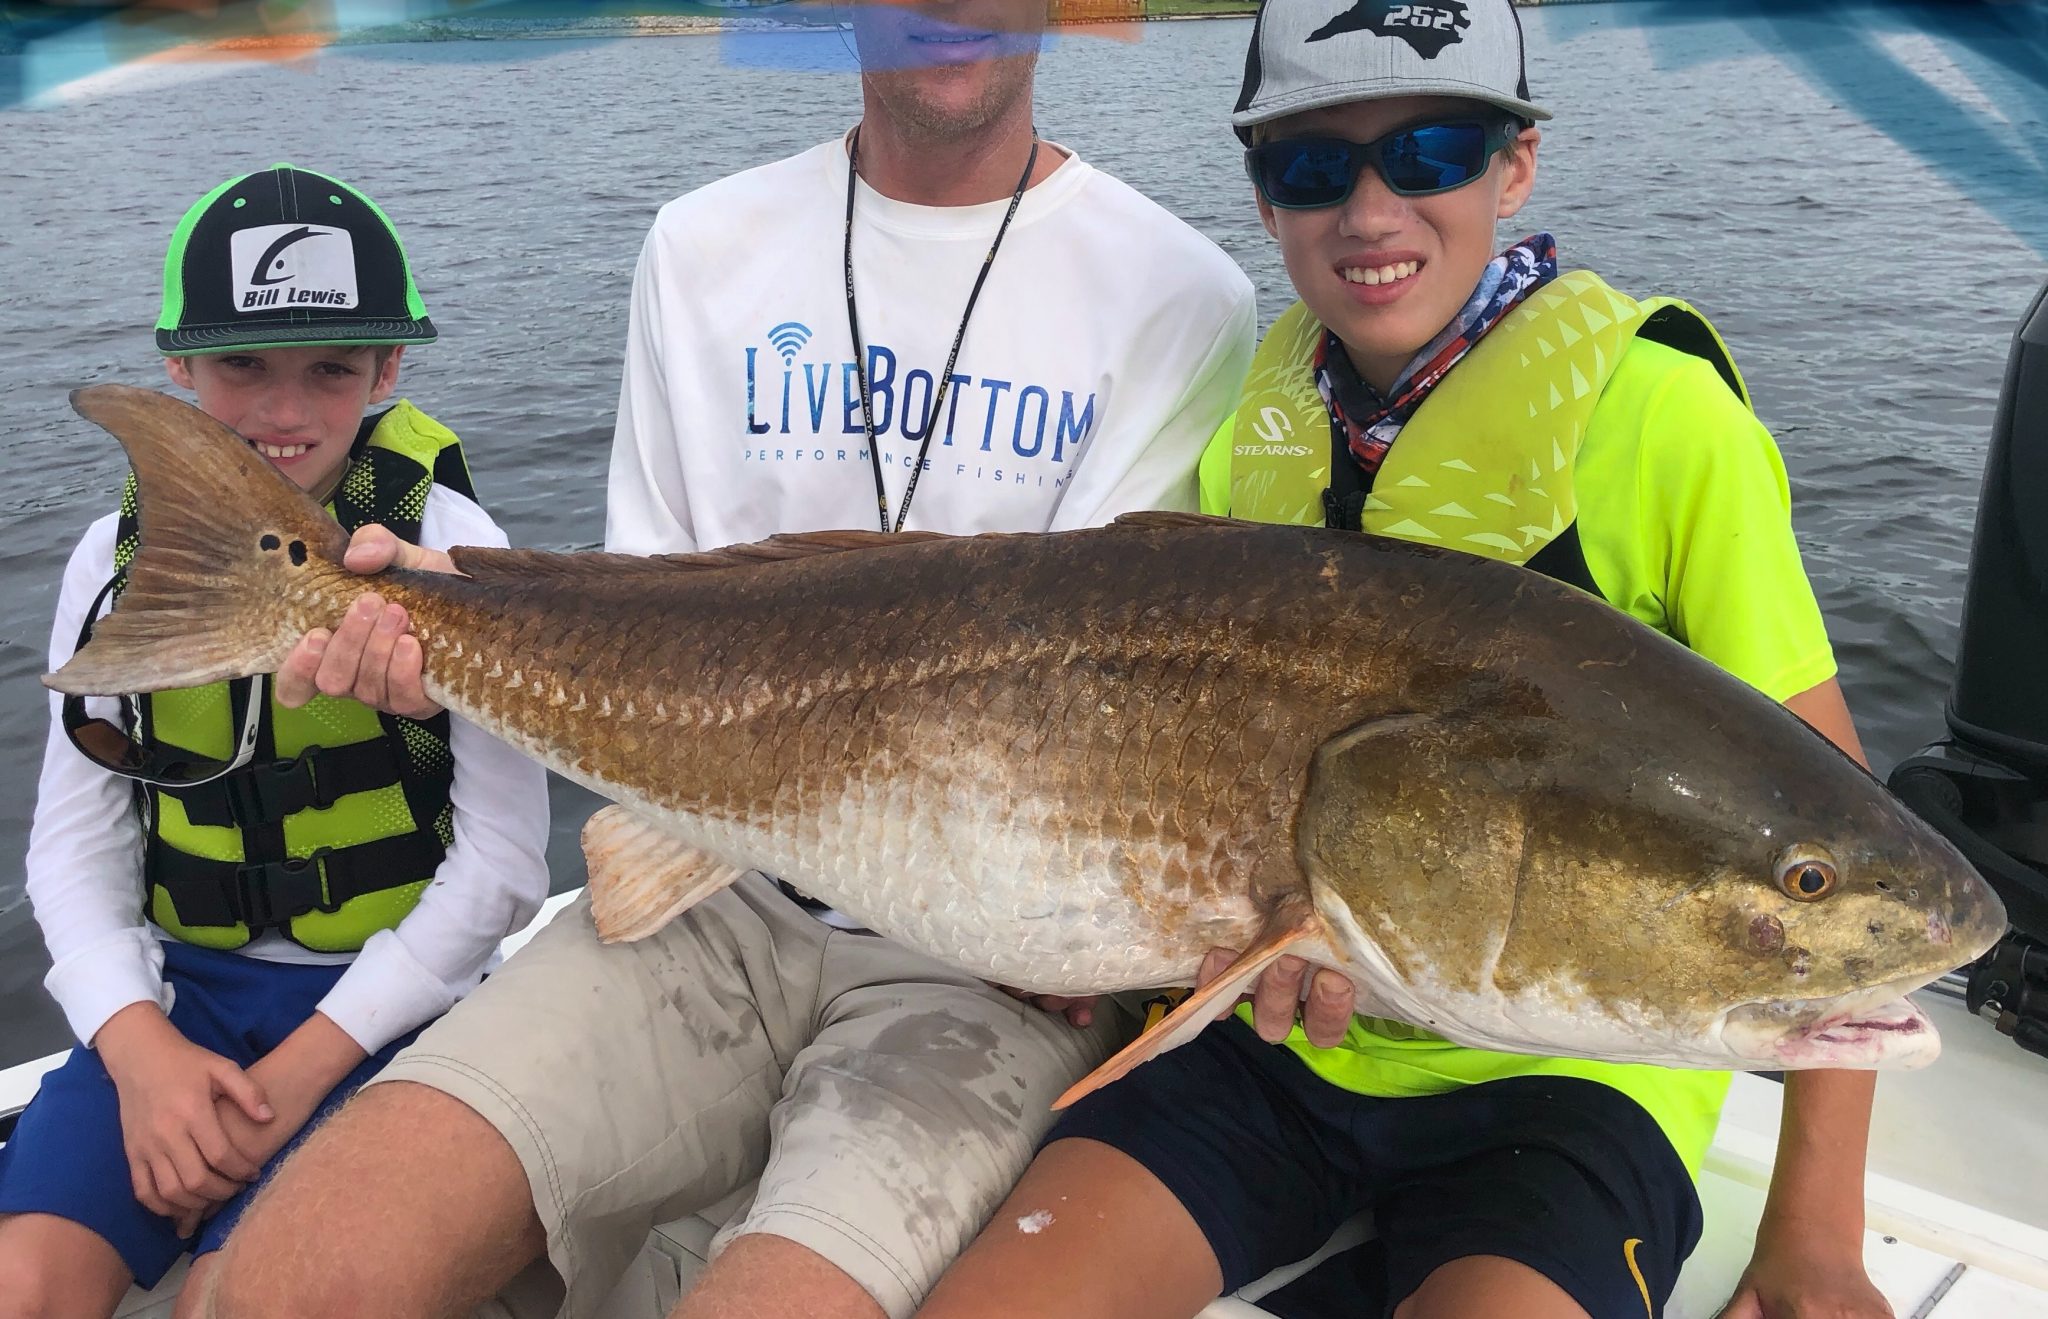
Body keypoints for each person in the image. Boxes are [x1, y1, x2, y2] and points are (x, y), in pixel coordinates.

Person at [199, 4, 1262, 1318]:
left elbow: (1107, 714)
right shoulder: (703, 246)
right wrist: (443, 628)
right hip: (707, 895)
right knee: (281, 1284)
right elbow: (649, 621)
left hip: (984, 970)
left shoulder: (1189, 298)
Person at [915, 2, 1890, 1318]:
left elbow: (1833, 853)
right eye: (1312, 166)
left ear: (1515, 164)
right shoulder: (1259, 420)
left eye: (1429, 151)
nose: (1370, 209)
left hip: (1571, 1087)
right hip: (1281, 1048)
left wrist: (1817, 1239)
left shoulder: (1665, 423)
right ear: (1265, 200)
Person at [0, 164, 551, 1319]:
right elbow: (72, 844)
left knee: (249, 1297)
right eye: (243, 365)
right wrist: (138, 1047)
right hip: (180, 994)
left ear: (388, 369)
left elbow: (503, 860)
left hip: (395, 1006)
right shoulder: (112, 559)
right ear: (179, 366)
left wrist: (300, 1071)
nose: (284, 409)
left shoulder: (452, 546)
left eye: (331, 368)